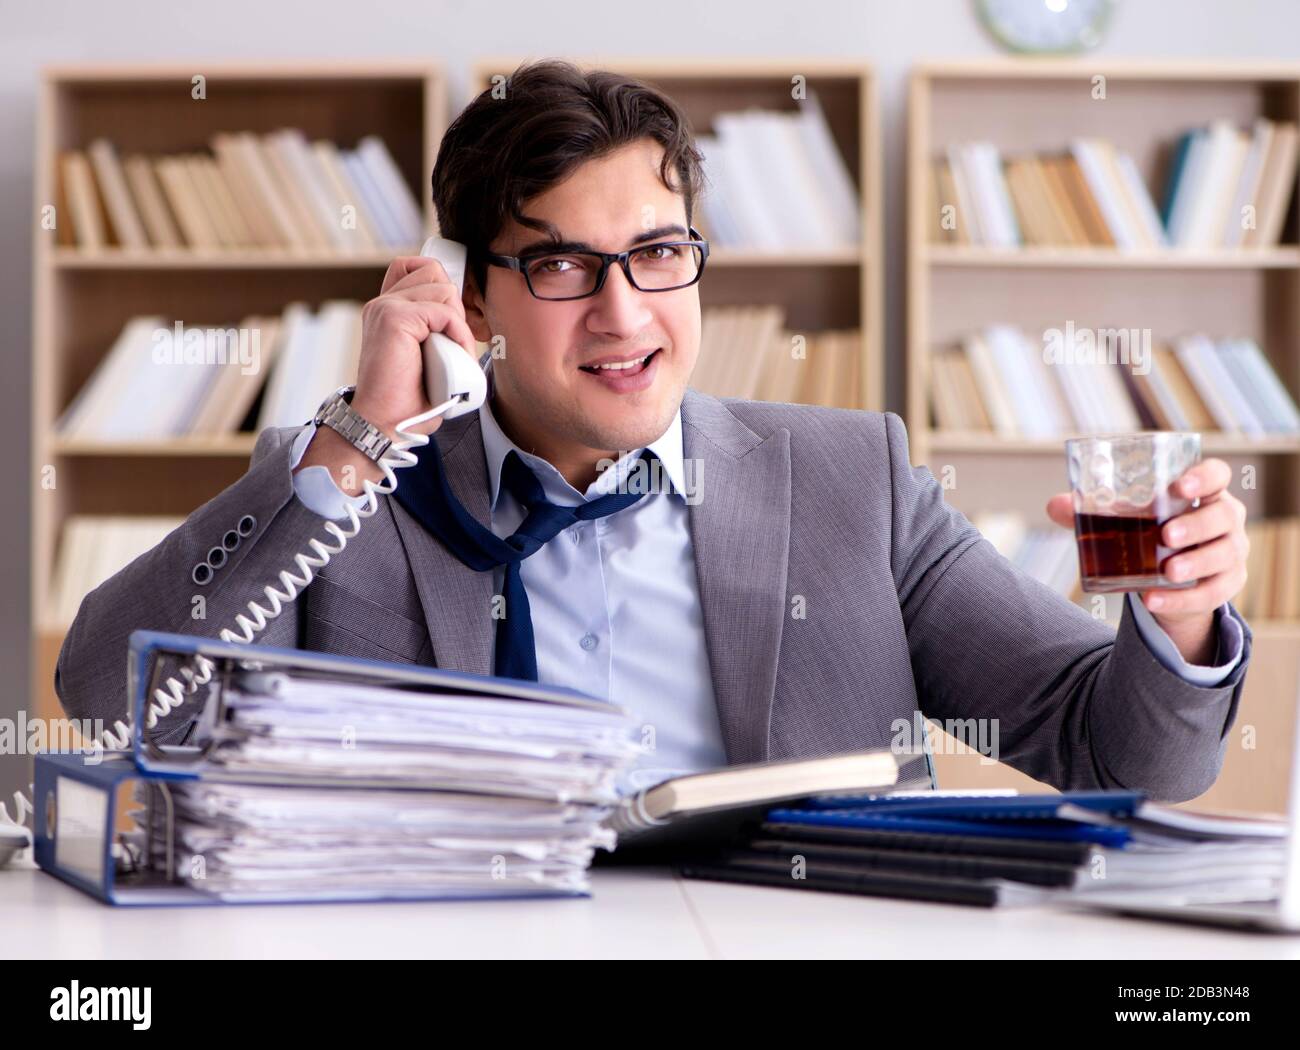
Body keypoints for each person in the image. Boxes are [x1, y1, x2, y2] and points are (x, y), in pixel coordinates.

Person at [56, 59, 1252, 799]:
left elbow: (1123, 757)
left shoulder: (853, 481)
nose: (625, 313)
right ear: (472, 299)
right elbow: (109, 695)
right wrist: (352, 446)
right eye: (566, 264)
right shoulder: (342, 487)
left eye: (659, 254)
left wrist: (1181, 616)